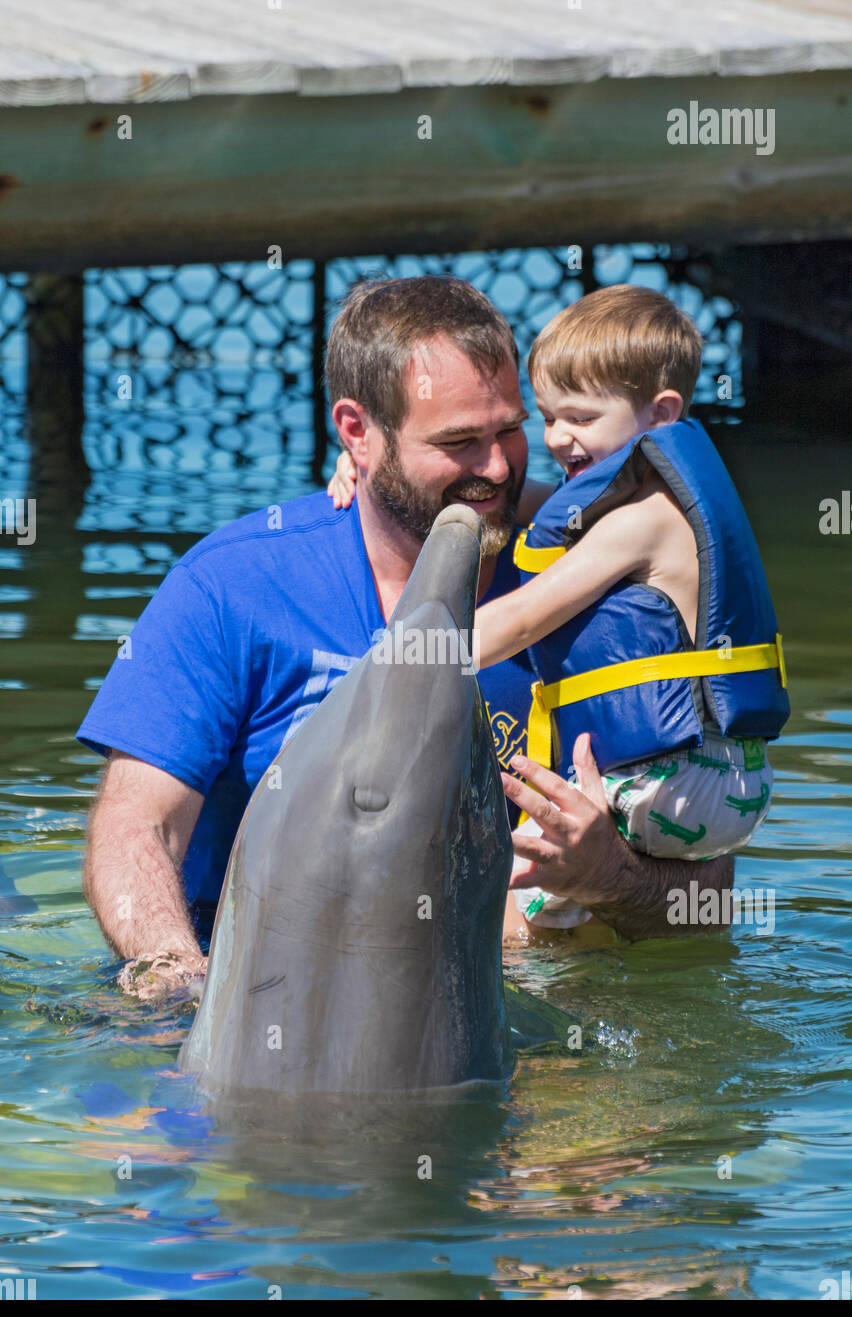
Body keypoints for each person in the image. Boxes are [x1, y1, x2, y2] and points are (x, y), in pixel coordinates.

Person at [78, 276, 735, 1000]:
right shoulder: (234, 587)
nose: (496, 468)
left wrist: (607, 876)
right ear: (357, 432)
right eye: (458, 442)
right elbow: (137, 828)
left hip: (516, 1011)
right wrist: (176, 975)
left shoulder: (591, 594)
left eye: (509, 429)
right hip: (262, 991)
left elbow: (706, 895)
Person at [329, 284, 789, 933]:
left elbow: (519, 620)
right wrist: (368, 464)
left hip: (682, 784)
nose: (555, 438)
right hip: (723, 780)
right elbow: (499, 498)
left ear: (660, 414)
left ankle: (534, 1016)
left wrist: (395, 661)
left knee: (513, 913)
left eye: (578, 418)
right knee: (577, 928)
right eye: (543, 417)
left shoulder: (644, 525)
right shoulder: (641, 500)